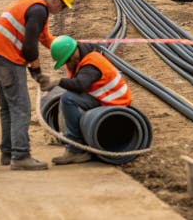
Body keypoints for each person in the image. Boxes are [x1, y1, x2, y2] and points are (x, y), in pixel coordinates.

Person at [0, 0, 75, 171]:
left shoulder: (32, 3)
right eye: (63, 7)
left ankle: (7, 153)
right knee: (21, 108)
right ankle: (21, 155)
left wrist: (70, 49)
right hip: (7, 61)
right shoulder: (39, 11)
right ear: (56, 0)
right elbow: (30, 48)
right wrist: (38, 73)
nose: (62, 11)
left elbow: (45, 39)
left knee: (7, 108)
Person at [37, 35, 131, 165]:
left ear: (74, 53)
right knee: (68, 96)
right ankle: (75, 142)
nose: (67, 65)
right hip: (102, 97)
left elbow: (80, 85)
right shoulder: (78, 59)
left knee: (68, 99)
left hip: (114, 101)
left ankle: (76, 150)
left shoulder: (91, 64)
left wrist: (58, 81)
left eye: (67, 61)